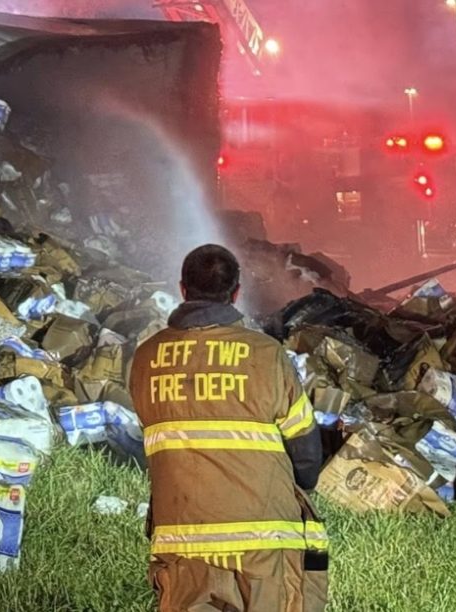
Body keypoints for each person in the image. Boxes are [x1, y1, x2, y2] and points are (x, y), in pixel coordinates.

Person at [129, 244, 327, 612]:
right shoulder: (266, 354)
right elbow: (306, 456)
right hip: (264, 542)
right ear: (236, 292)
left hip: (182, 544)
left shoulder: (146, 357)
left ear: (183, 289)